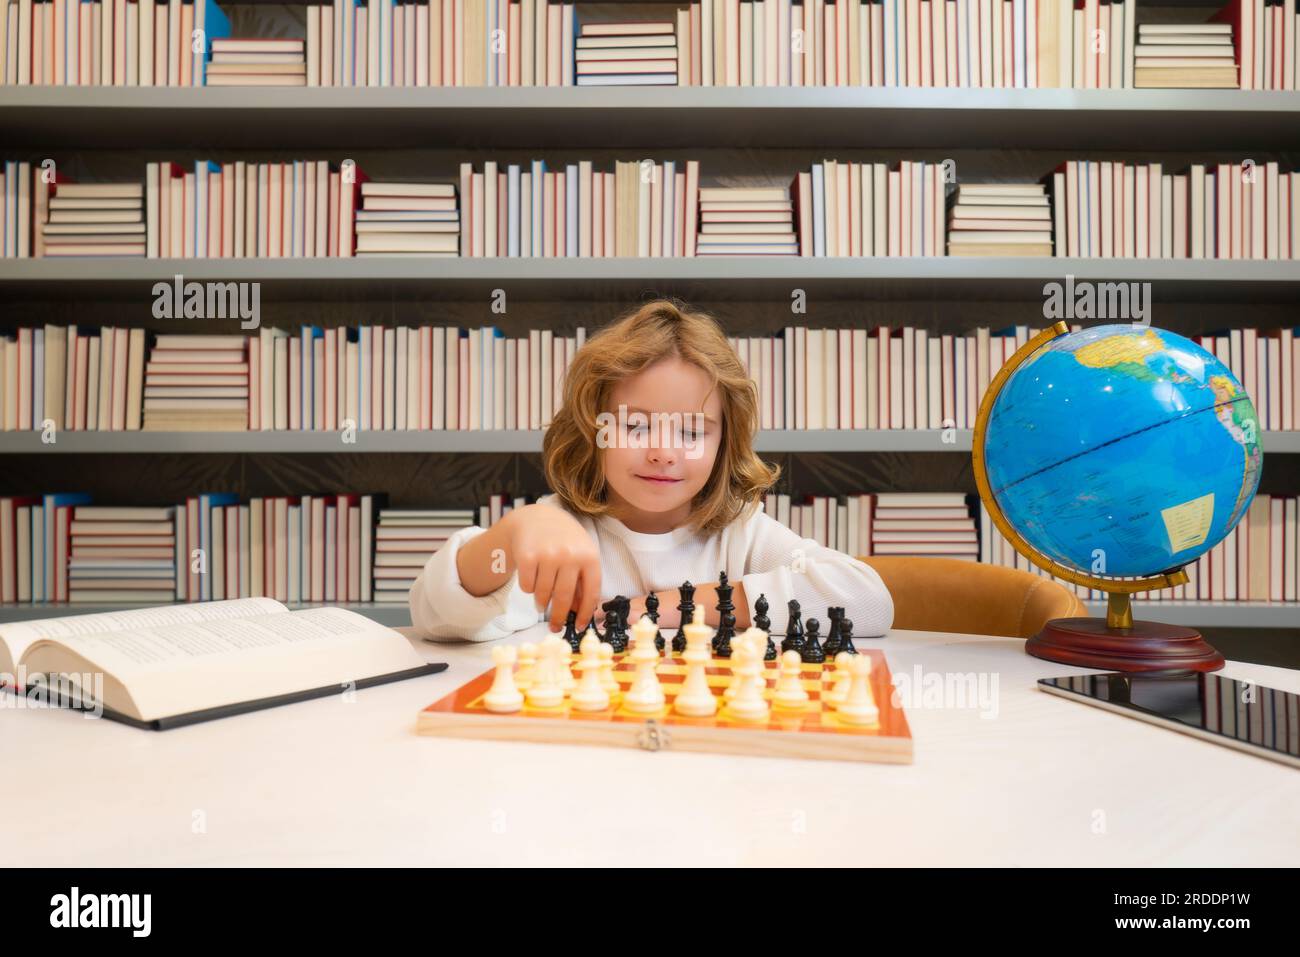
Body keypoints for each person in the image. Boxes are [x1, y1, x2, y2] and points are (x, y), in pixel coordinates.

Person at [409, 299, 894, 643]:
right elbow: (436, 616)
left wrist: (675, 606)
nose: (663, 453)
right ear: (592, 431)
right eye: (635, 426)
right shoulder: (559, 531)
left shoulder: (740, 534)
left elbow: (869, 598)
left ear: (724, 444)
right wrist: (509, 536)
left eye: (692, 431)